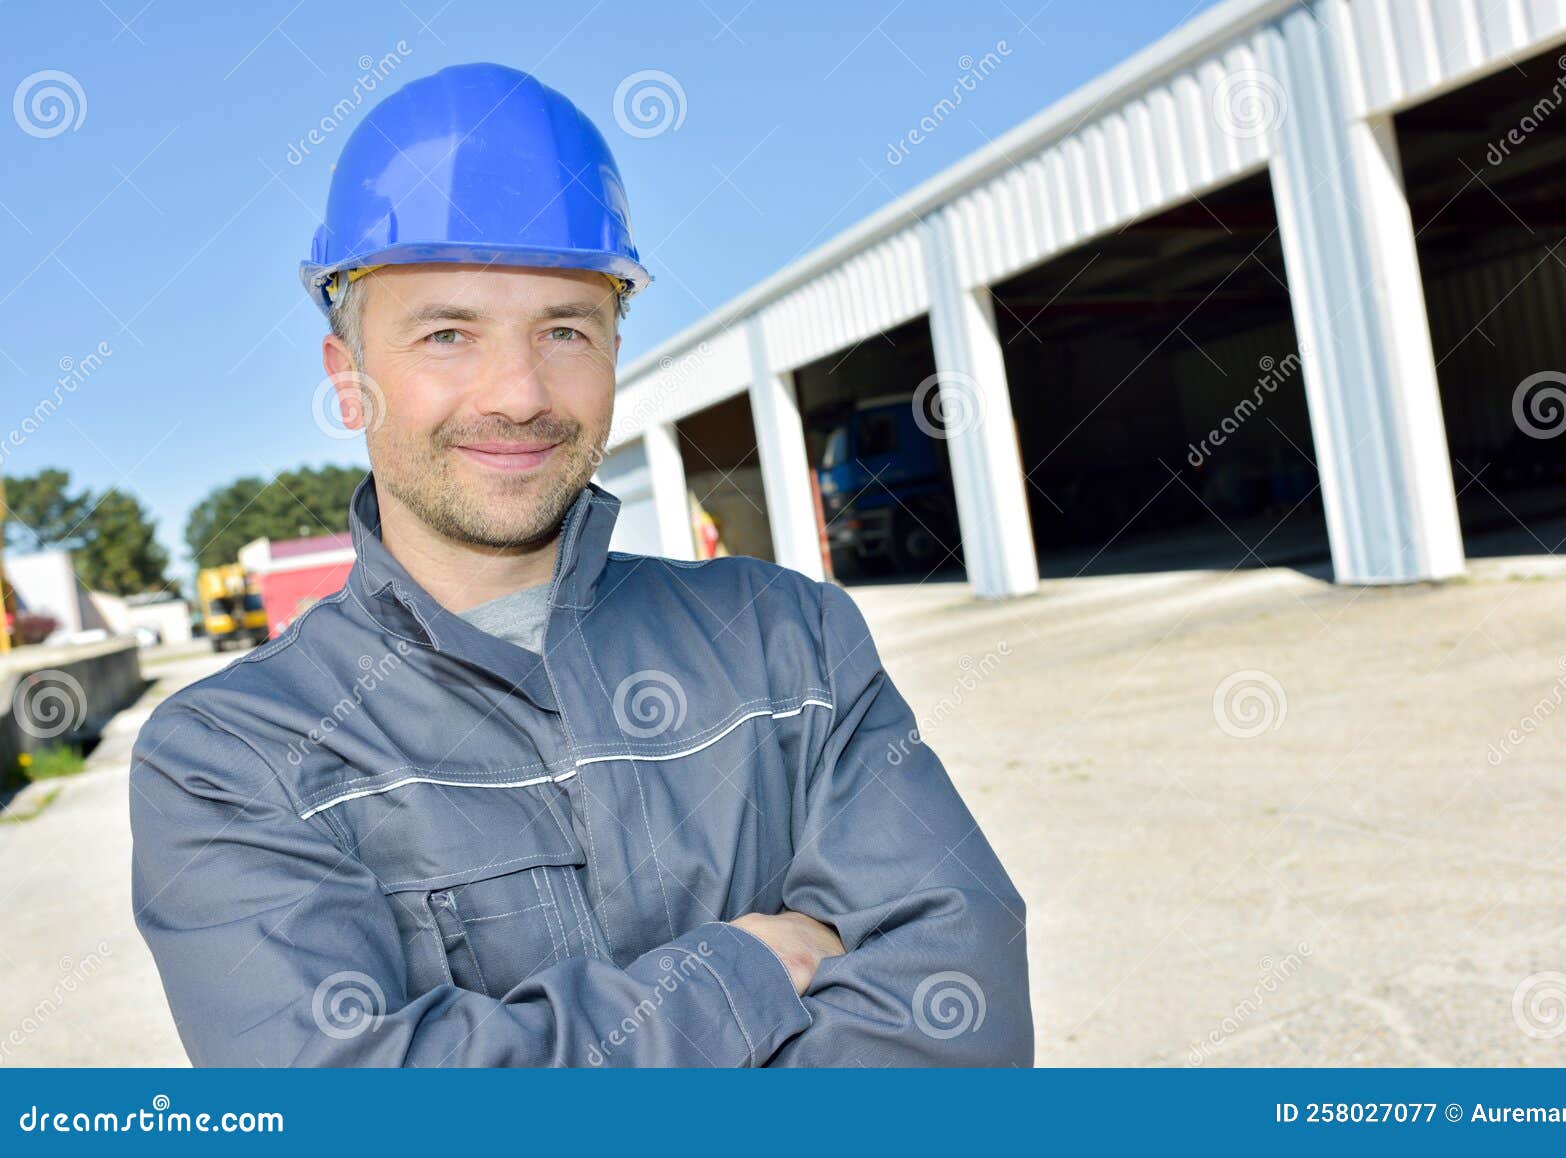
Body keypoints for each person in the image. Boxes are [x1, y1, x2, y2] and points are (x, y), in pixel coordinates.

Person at [129, 62, 1031, 1067]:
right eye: (447, 333)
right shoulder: (232, 759)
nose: (518, 393)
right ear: (349, 382)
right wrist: (736, 974)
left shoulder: (790, 642)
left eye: (564, 329)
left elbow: (958, 1016)